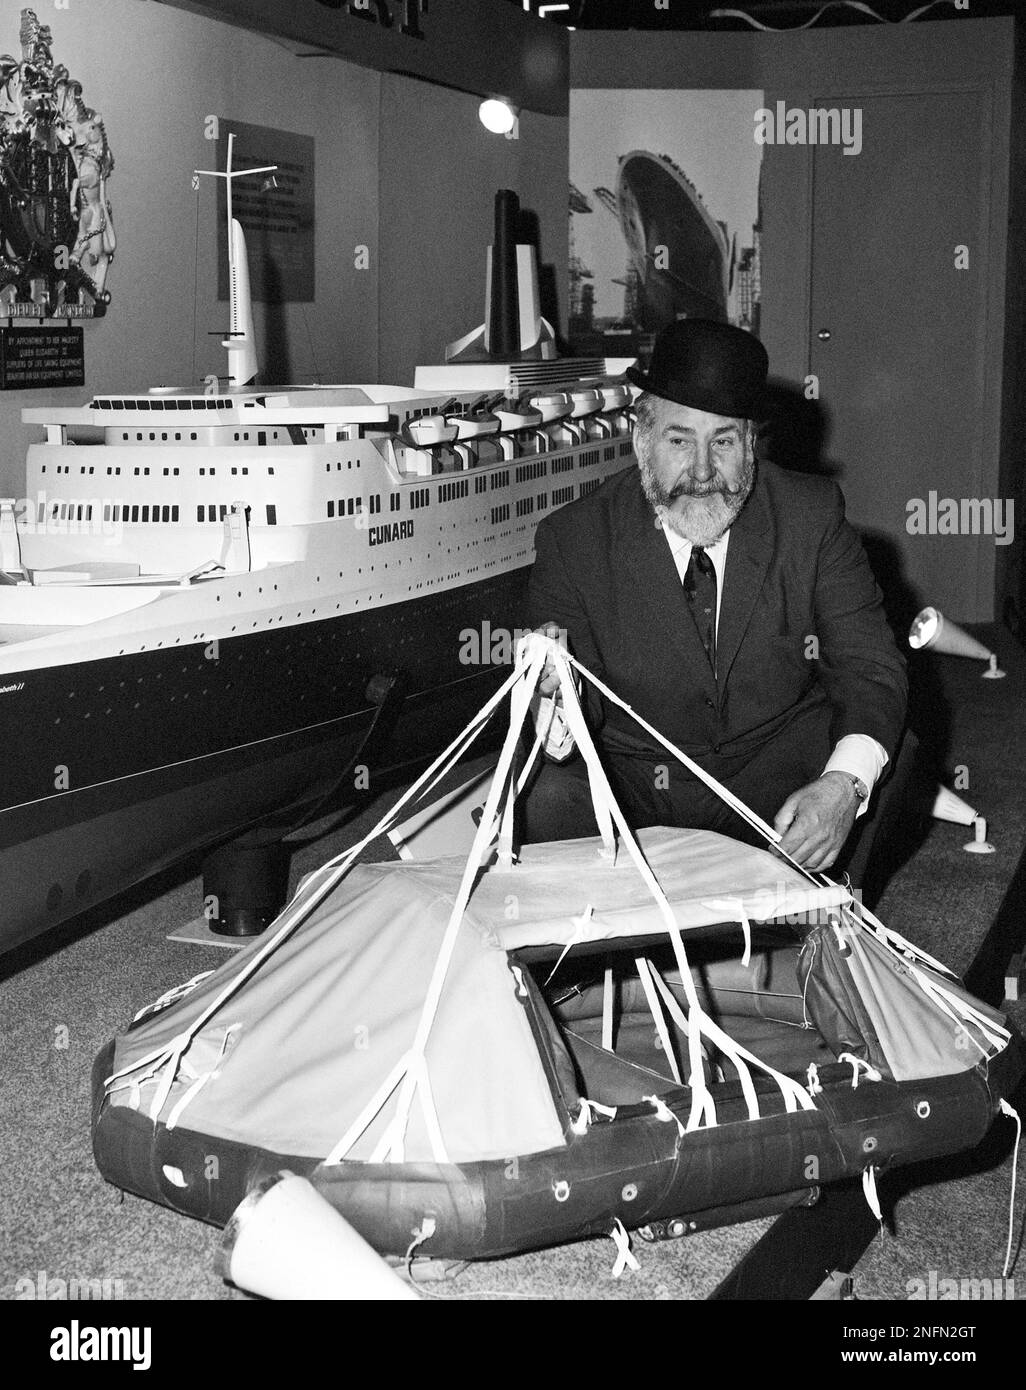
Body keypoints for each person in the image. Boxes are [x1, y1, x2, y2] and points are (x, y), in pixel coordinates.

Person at [521, 318, 911, 888]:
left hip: (770, 774)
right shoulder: (572, 540)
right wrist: (559, 696)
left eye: (723, 441)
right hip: (634, 782)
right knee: (546, 796)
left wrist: (843, 788)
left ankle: (821, 941)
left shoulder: (812, 516)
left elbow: (870, 669)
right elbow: (568, 731)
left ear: (751, 443)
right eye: (680, 441)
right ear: (642, 439)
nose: (702, 473)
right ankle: (581, 965)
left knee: (876, 759)